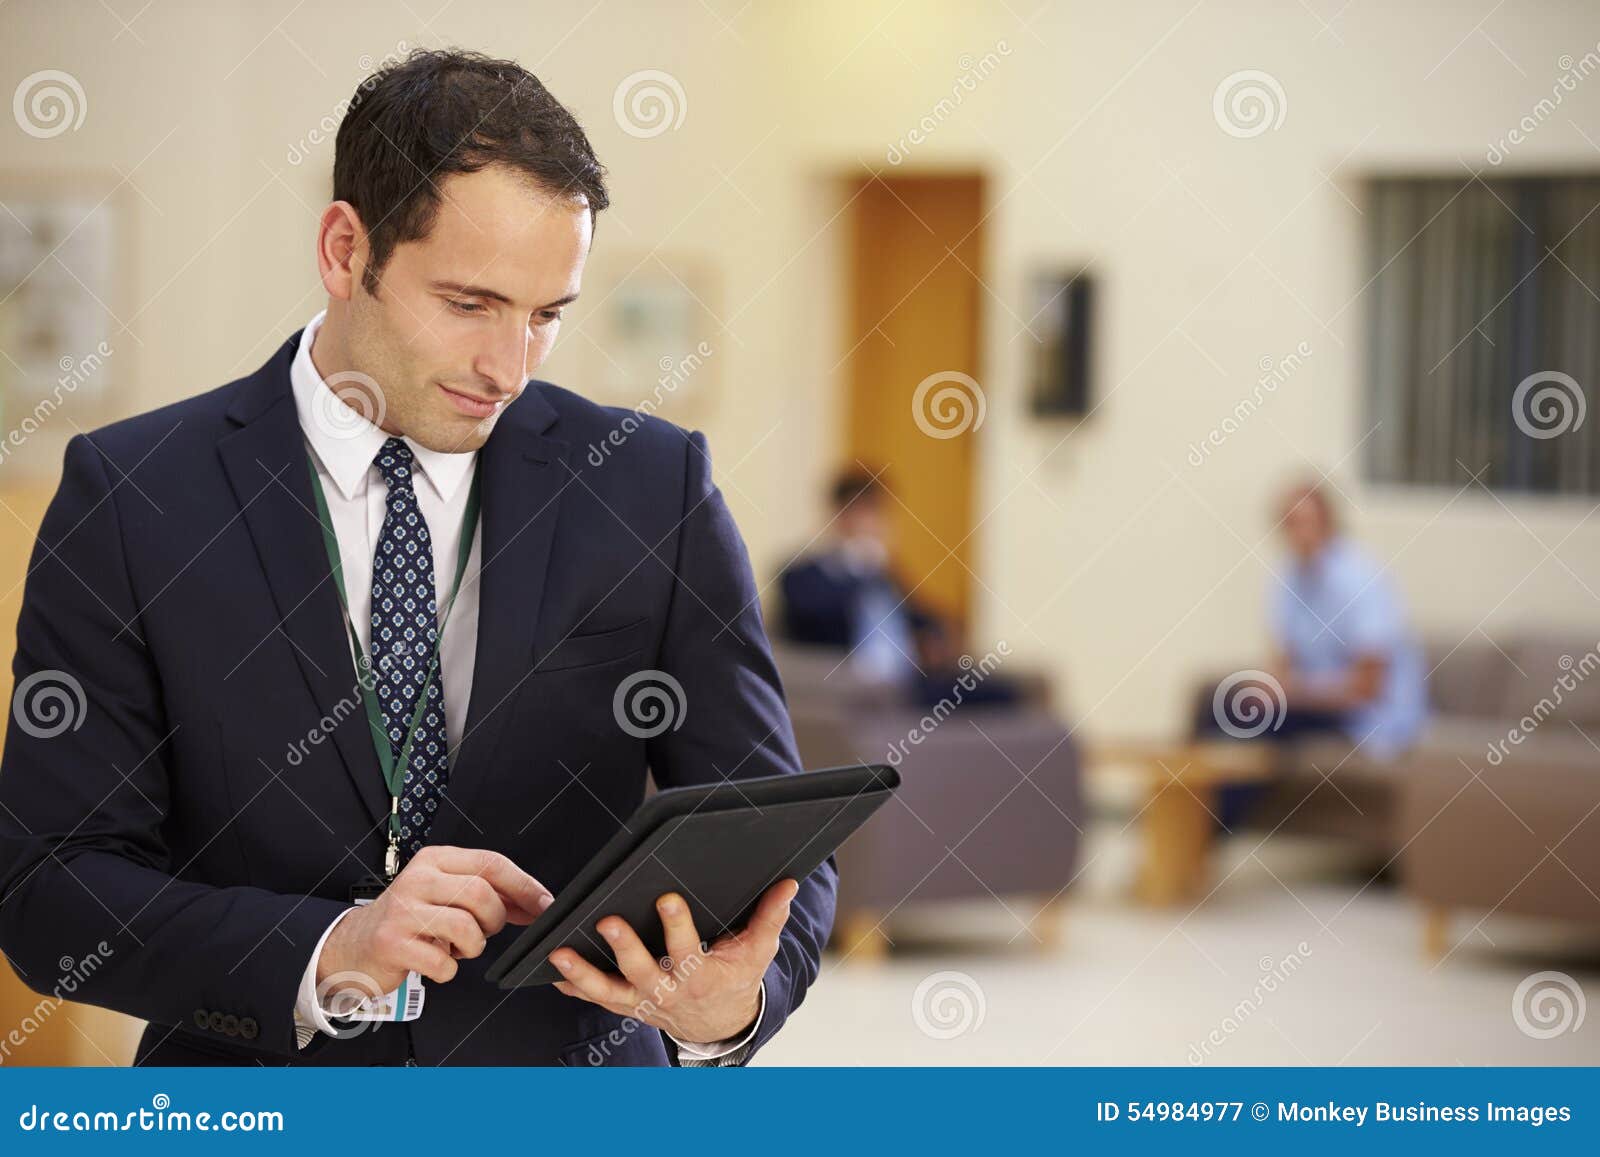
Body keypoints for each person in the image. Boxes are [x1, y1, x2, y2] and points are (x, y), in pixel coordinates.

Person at [0, 49, 833, 1067]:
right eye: (470, 304)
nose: (508, 368)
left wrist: (732, 1007)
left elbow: (767, 830)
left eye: (546, 316)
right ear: (345, 250)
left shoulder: (652, 487)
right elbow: (50, 890)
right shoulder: (135, 497)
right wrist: (329, 949)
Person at [1203, 480, 1427, 827]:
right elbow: (1282, 664)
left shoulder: (1361, 578)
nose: (1299, 534)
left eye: (1305, 522)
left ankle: (1205, 834)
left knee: (1262, 724)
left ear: (1328, 523)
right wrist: (1268, 690)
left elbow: (1367, 689)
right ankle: (1185, 829)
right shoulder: (1288, 578)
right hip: (1315, 705)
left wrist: (1292, 693)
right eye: (1290, 523)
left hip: (1368, 719)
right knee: (1219, 707)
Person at [779, 468, 1017, 707]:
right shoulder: (802, 575)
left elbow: (922, 615)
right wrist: (856, 568)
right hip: (857, 688)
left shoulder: (884, 575)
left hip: (909, 682)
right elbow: (816, 614)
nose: (874, 524)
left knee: (1004, 693)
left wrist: (938, 636)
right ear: (840, 516)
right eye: (865, 512)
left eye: (878, 514)